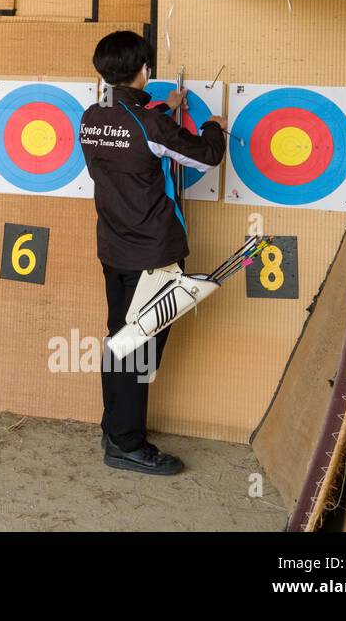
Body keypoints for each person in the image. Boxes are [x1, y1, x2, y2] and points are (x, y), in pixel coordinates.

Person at [79, 31, 224, 475]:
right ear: (145, 70)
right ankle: (127, 444)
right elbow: (207, 156)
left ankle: (114, 429)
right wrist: (213, 126)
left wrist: (165, 110)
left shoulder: (91, 116)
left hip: (114, 249)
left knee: (121, 340)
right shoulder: (150, 125)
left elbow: (133, 132)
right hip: (153, 256)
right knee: (139, 349)